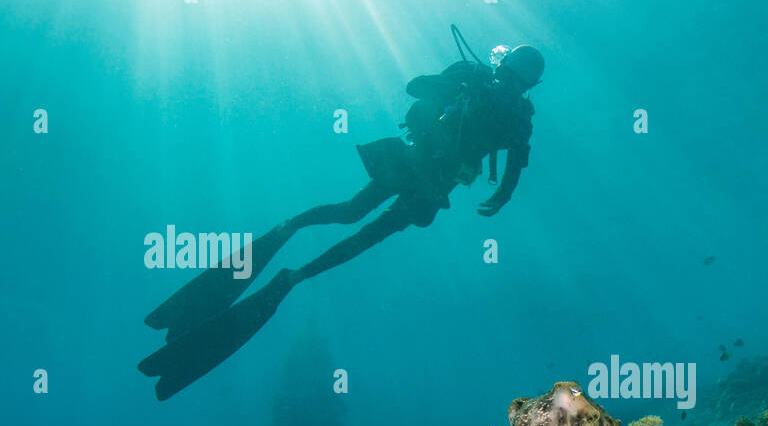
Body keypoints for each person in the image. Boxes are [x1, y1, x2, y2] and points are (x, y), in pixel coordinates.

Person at [139, 36, 543, 401]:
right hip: (420, 176)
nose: (510, 87)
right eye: (511, 79)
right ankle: (291, 255)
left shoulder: (508, 109)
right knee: (358, 225)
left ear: (509, 70)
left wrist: (503, 192)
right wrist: (500, 189)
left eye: (514, 82)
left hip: (420, 177)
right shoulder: (485, 89)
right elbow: (420, 91)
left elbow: (512, 158)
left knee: (356, 223)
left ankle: (291, 254)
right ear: (514, 75)